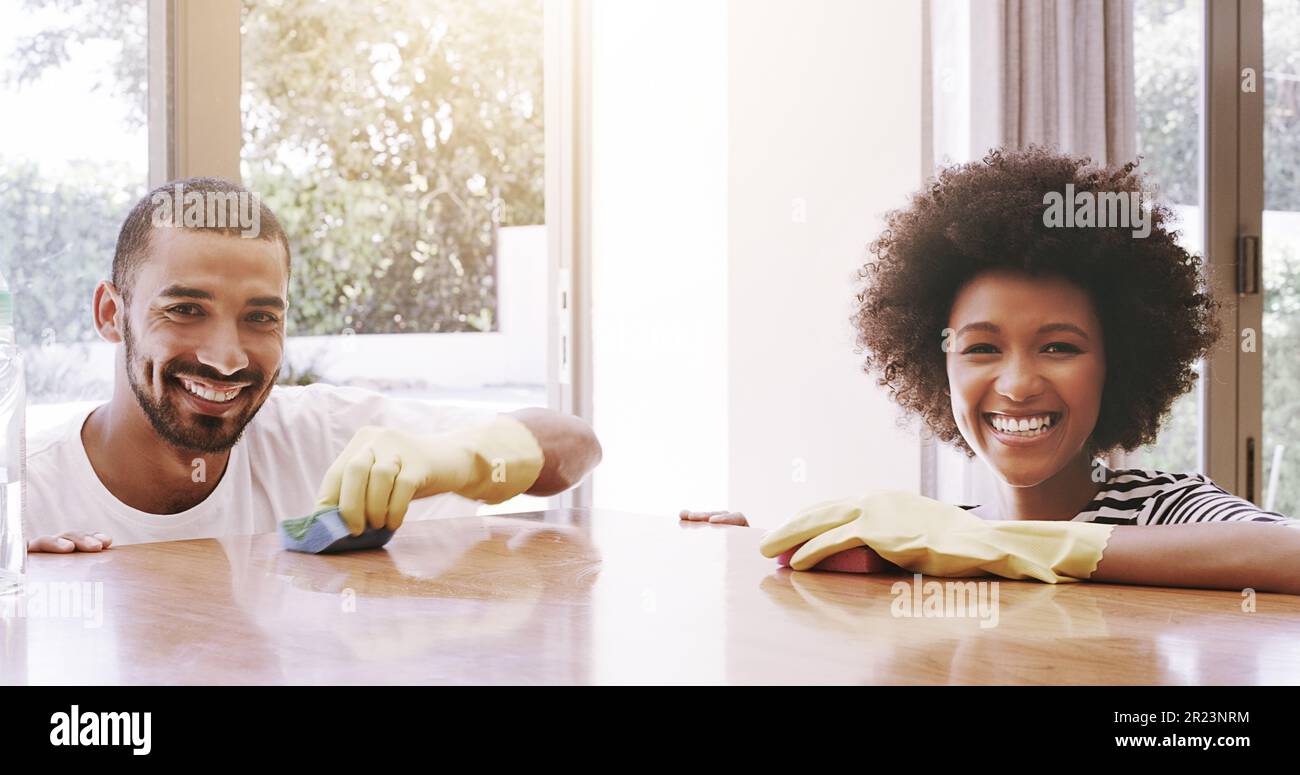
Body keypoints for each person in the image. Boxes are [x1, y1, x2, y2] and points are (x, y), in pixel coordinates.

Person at [685, 147, 1300, 592]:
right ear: (939, 365)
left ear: (1120, 364)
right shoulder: (946, 535)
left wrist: (1000, 547)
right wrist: (756, 552)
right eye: (981, 348)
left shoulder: (1163, 509)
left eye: (1059, 347)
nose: (1016, 383)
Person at [26, 177, 601, 551]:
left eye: (260, 318)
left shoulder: (319, 435)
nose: (226, 357)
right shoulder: (21, 495)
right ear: (110, 313)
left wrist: (445, 459)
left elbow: (574, 447)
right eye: (184, 309)